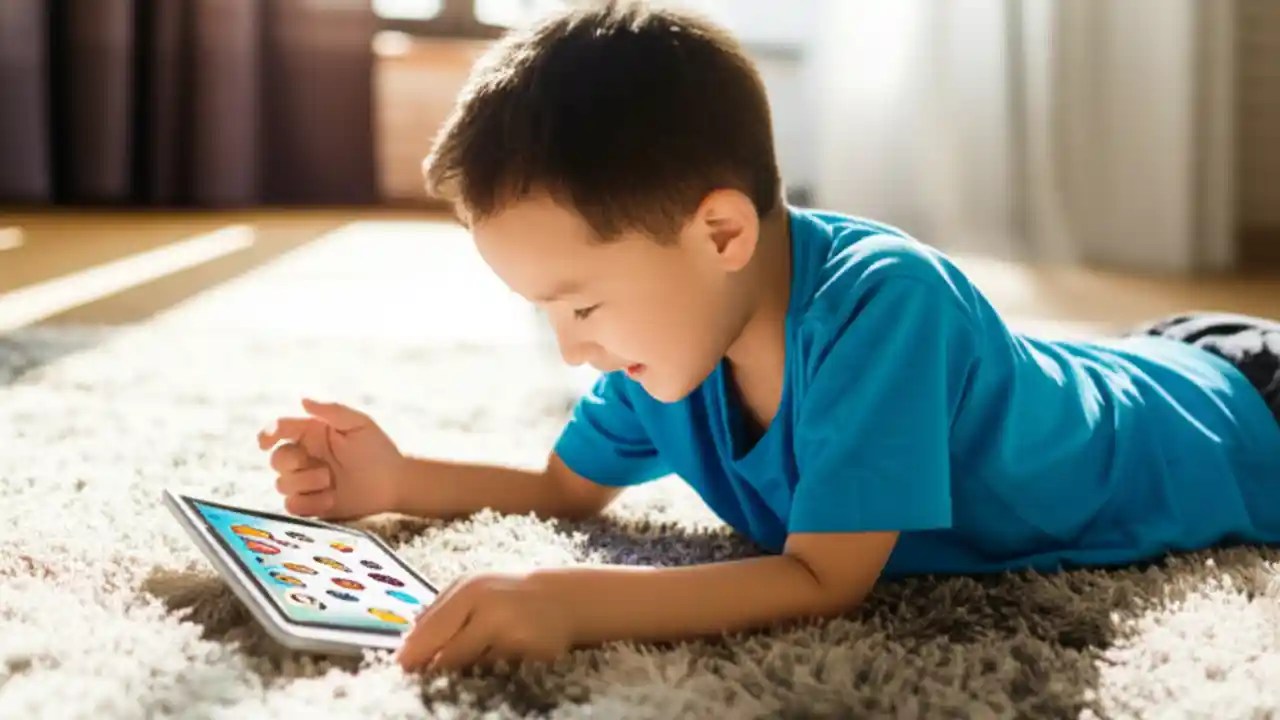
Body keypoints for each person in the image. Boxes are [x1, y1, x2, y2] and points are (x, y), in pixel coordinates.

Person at [256, 2, 1280, 672]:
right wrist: (396, 479)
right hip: (1131, 364)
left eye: (582, 307)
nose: (572, 351)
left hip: (1237, 407)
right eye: (548, 315)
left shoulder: (886, 303)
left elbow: (823, 579)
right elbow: (565, 490)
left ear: (720, 234)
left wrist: (567, 601)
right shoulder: (673, 346)